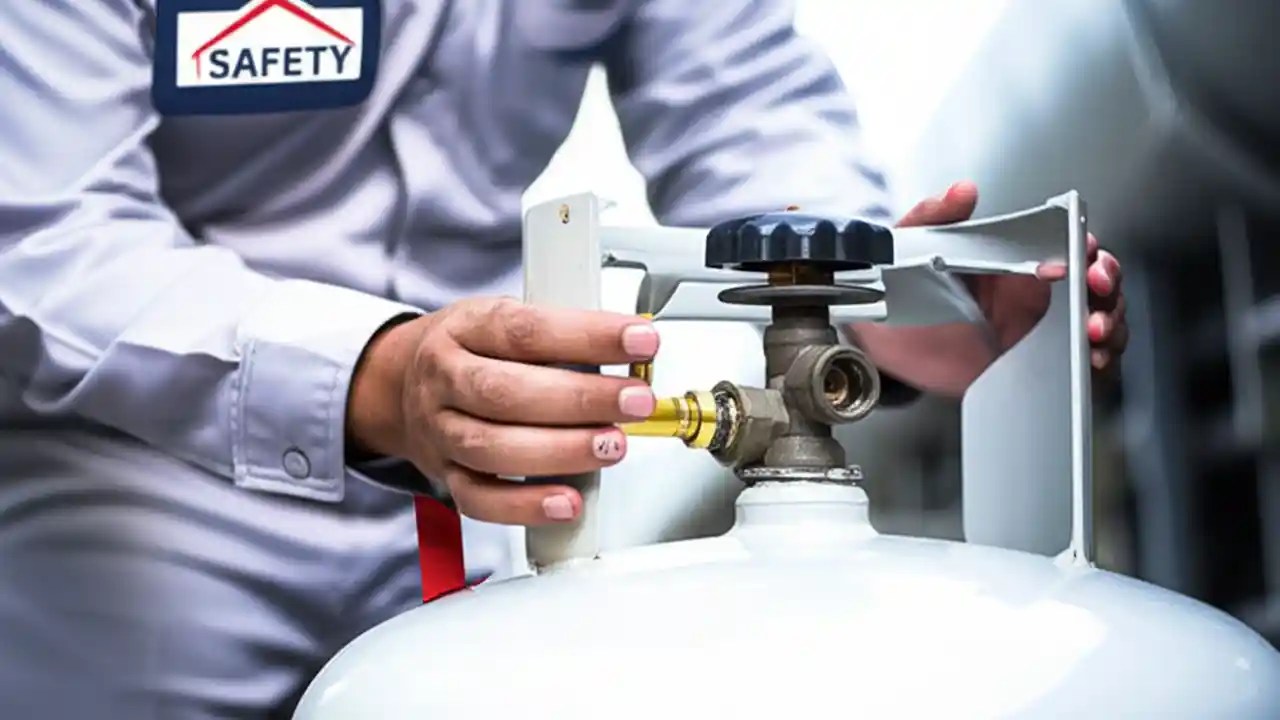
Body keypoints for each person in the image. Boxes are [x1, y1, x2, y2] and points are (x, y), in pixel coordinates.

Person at [0, 1, 1127, 717]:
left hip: (471, 503)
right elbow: (46, 238)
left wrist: (877, 306)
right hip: (138, 508)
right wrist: (379, 376)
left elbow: (746, 113)